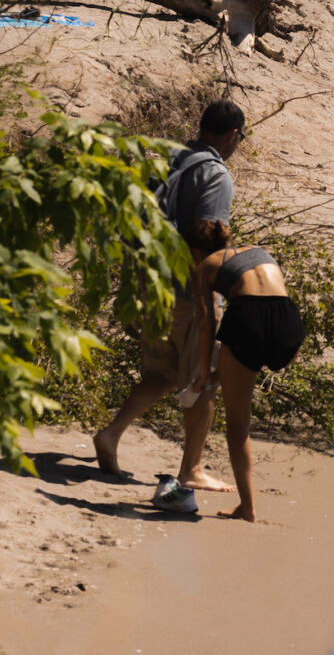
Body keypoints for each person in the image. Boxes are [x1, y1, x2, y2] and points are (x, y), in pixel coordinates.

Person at [93, 100, 247, 506]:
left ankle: (110, 435)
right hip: (187, 290)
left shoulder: (165, 158)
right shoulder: (215, 173)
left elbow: (132, 219)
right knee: (204, 381)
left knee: (161, 374)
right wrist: (210, 301)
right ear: (232, 135)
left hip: (150, 286)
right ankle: (192, 470)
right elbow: (209, 238)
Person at [190, 238, 306, 521]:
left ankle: (247, 507)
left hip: (246, 319)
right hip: (288, 324)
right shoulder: (258, 250)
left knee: (238, 425)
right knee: (245, 363)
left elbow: (208, 321)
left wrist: (205, 373)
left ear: (196, 250)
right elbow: (273, 303)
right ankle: (228, 374)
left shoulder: (204, 265)